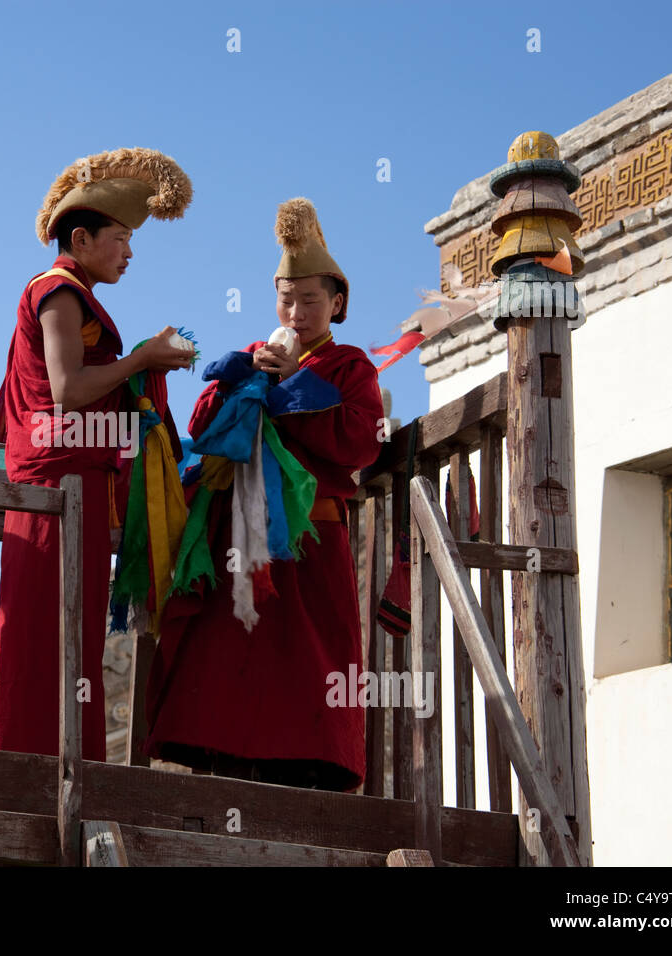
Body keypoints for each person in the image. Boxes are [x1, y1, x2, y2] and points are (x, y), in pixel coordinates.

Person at [143, 197, 384, 790]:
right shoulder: (255, 358)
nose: (296, 312)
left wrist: (294, 388)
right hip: (239, 535)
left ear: (338, 304)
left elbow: (360, 441)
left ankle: (309, 773)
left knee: (306, 662)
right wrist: (249, 379)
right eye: (286, 299)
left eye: (310, 300)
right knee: (231, 654)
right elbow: (204, 431)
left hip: (310, 538)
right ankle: (220, 762)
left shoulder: (352, 367)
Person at [0, 148, 193, 762]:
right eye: (122, 239)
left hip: (76, 487)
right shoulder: (59, 294)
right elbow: (70, 391)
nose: (129, 253)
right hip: (56, 492)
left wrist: (144, 368)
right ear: (82, 237)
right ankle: (32, 771)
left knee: (69, 638)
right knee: (45, 636)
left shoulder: (73, 294)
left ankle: (70, 768)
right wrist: (143, 360)